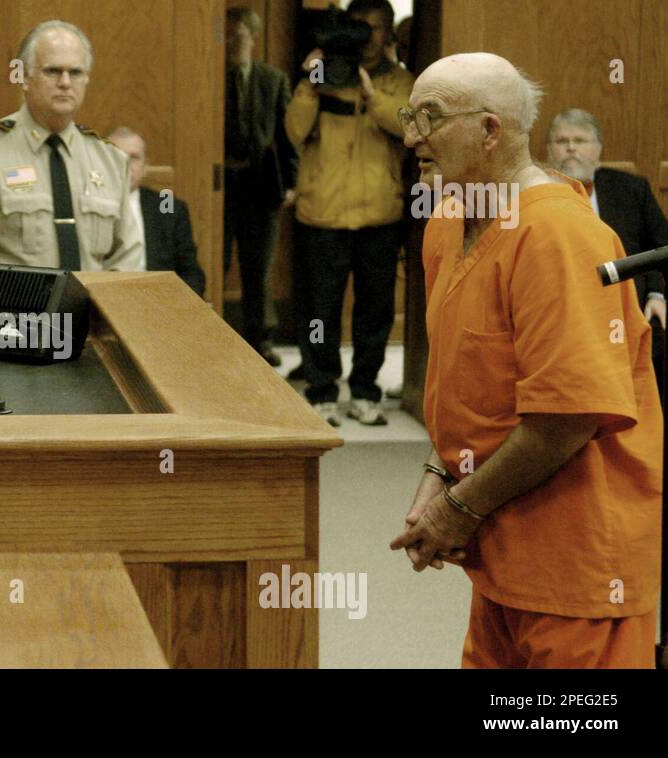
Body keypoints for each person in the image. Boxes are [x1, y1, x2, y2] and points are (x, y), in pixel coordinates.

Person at [389, 53, 661, 668]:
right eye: (410, 114)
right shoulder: (449, 216)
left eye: (429, 117)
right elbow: (471, 378)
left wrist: (457, 511)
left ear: (490, 130)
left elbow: (567, 418)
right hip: (502, 547)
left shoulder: (560, 236)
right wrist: (440, 471)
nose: (410, 136)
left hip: (579, 566)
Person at [285, 0, 413, 426]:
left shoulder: (401, 80)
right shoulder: (324, 71)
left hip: (380, 214)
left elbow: (409, 128)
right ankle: (321, 391)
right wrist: (310, 81)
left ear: (389, 33)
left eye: (378, 27)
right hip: (323, 213)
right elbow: (294, 131)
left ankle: (365, 390)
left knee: (374, 311)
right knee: (320, 310)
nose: (370, 36)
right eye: (362, 26)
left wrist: (372, 96)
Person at [0, 20, 143, 272]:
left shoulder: (110, 159)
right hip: (11, 309)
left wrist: (95, 310)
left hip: (92, 309)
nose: (66, 82)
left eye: (76, 72)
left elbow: (127, 260)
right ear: (25, 76)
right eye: (53, 71)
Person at [545, 108, 667, 395]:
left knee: (658, 335)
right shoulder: (537, 193)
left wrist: (657, 294)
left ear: (599, 150)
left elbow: (660, 246)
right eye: (561, 141)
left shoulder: (630, 189)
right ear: (549, 151)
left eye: (580, 140)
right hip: (563, 302)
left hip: (629, 305)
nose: (571, 147)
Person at [223, 7, 297, 365]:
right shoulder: (211, 79)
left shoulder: (272, 79)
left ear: (253, 38)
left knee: (258, 268)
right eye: (226, 37)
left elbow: (287, 136)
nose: (231, 44)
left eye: (238, 36)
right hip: (220, 187)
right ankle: (210, 332)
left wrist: (292, 183)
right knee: (214, 261)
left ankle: (260, 340)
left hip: (261, 186)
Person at [106, 127, 204, 295]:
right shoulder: (85, 204)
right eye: (116, 155)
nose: (124, 165)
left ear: (145, 166)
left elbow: (191, 272)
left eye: (133, 158)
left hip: (157, 301)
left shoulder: (169, 207)